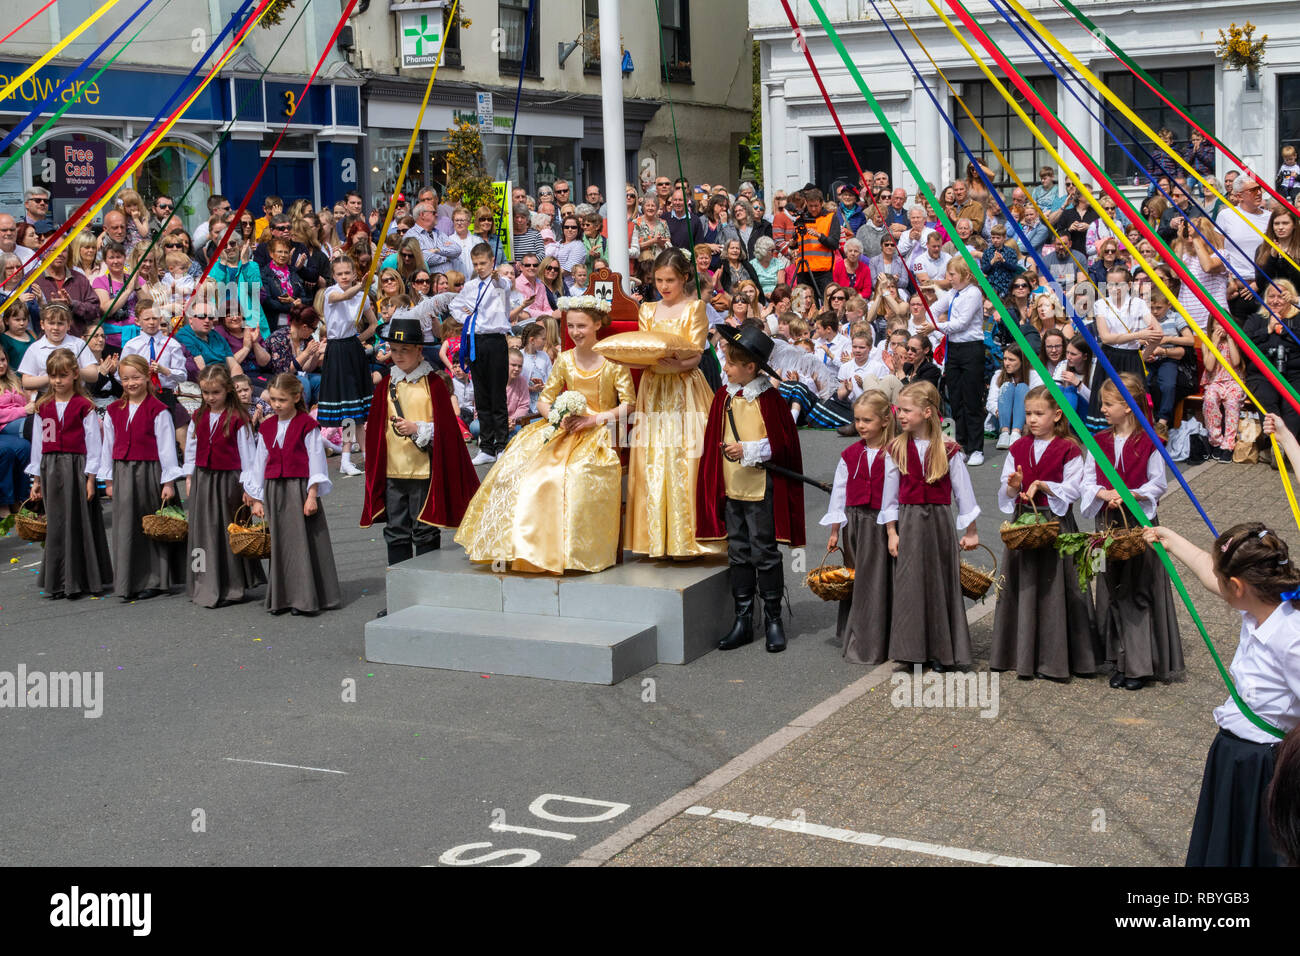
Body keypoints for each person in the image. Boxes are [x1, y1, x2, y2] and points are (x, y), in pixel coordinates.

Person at [1149, 512, 1300, 867]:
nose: (1214, 582)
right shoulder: (1258, 606)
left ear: (1237, 586)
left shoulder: (1290, 638)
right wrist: (1169, 539)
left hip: (1265, 769)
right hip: (1234, 760)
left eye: (1222, 580)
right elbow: (1207, 567)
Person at [455, 301, 633, 573]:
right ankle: (521, 546)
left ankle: (566, 551)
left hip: (597, 430)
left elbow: (629, 404)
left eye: (581, 325)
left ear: (597, 325)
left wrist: (591, 419)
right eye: (571, 326)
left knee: (571, 473)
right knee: (519, 467)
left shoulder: (612, 362)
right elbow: (545, 400)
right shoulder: (564, 360)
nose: (575, 332)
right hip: (563, 427)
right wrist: (558, 415)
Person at [696, 323, 805, 653]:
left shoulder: (768, 399)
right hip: (732, 488)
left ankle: (773, 619)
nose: (724, 368)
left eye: (730, 364)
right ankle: (743, 617)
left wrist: (748, 450)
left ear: (750, 368)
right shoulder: (724, 397)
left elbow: (783, 443)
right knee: (739, 552)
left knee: (764, 552)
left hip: (760, 488)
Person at [1080, 373, 1183, 691]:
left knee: (1137, 590)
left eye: (1108, 404)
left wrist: (1132, 494)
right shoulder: (1097, 442)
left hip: (1137, 526)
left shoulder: (1149, 442)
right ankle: (1118, 659)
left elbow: (1157, 483)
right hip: (1107, 527)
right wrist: (1102, 494)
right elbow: (1086, 481)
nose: (1103, 409)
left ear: (1128, 407)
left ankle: (1139, 666)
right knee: (1110, 588)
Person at [990, 385, 1099, 679]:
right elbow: (1007, 488)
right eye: (1028, 414)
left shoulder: (1069, 448)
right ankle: (1020, 653)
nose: (1033, 419)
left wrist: (1045, 485)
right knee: (1022, 585)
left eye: (1039, 413)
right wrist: (1014, 484)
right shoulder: (1018, 447)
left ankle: (1059, 657)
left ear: (1057, 414)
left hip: (1056, 525)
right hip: (1024, 525)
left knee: (1057, 587)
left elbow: (1074, 489)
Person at [623, 248, 725, 559]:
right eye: (658, 280)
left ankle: (687, 536)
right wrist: (652, 363)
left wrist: (671, 365)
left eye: (670, 280)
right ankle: (656, 537)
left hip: (683, 388)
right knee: (654, 456)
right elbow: (642, 346)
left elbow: (695, 354)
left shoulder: (694, 308)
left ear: (684, 278)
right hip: (653, 390)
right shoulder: (647, 310)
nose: (664, 286)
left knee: (684, 456)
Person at [359, 316, 479, 572]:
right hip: (393, 471)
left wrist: (417, 428)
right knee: (396, 532)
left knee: (424, 530)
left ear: (419, 351)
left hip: (424, 471)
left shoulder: (433, 384)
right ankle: (400, 594)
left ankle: (427, 590)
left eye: (405, 350)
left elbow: (448, 431)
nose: (399, 356)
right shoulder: (386, 386)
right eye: (394, 350)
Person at [880, 380, 980, 670]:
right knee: (910, 585)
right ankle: (912, 652)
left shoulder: (948, 450)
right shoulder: (896, 448)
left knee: (939, 584)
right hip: (909, 522)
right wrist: (891, 532)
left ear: (926, 412)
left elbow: (964, 493)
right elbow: (889, 497)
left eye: (906, 410)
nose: (900, 415)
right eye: (899, 409)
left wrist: (971, 531)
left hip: (939, 523)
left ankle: (941, 651)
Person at [245, 373, 341, 615]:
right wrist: (256, 498)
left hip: (299, 489)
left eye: (282, 400)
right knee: (281, 544)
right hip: (274, 490)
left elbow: (316, 461)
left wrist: (312, 495)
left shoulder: (307, 425)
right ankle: (283, 596)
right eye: (274, 399)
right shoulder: (266, 427)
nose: (277, 405)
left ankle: (304, 597)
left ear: (297, 397)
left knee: (301, 543)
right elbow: (259, 462)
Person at [25, 348, 112, 598]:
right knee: (57, 523)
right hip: (51, 468)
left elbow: (94, 445)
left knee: (78, 522)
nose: (57, 381)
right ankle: (59, 579)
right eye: (53, 376)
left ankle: (80, 579)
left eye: (62, 375)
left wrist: (91, 478)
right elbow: (38, 445)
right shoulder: (44, 407)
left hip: (76, 467)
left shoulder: (84, 406)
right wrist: (37, 479)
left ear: (75, 375)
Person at [99, 354, 186, 601]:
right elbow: (108, 447)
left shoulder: (157, 410)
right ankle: (129, 579)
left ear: (147, 378)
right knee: (126, 526)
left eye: (136, 377)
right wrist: (109, 480)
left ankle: (154, 579)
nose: (130, 383)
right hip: (122, 472)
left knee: (150, 525)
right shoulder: (113, 410)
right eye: (125, 379)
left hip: (149, 472)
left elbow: (167, 447)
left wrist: (168, 482)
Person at [181, 364, 266, 607]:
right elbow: (191, 448)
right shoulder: (198, 416)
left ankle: (232, 584)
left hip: (228, 481)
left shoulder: (238, 419)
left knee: (229, 530)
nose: (210, 398)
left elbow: (248, 456)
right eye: (206, 393)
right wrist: (189, 477)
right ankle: (202, 580)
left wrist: (250, 490)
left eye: (215, 392)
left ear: (227, 390)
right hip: (203, 479)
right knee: (202, 531)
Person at [822, 389, 896, 664]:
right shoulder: (850, 454)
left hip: (883, 522)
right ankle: (859, 631)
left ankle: (885, 634)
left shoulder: (896, 451)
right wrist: (833, 530)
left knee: (883, 577)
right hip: (855, 523)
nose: (861, 426)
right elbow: (838, 493)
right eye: (857, 420)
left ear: (884, 421)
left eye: (867, 420)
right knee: (859, 577)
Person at [450, 243, 514, 466]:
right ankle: (485, 445)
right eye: (476, 264)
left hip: (495, 341)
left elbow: (504, 285)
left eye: (483, 263)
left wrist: (496, 276)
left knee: (497, 394)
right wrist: (465, 316)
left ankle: (501, 444)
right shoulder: (470, 286)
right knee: (481, 394)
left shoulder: (499, 283)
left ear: (491, 262)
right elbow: (454, 306)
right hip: (476, 340)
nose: (479, 268)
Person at [921, 259, 986, 464]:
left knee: (971, 399)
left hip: (971, 348)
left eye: (953, 275)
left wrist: (935, 327)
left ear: (966, 275)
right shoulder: (953, 293)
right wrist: (929, 310)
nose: (949, 278)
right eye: (948, 274)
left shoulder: (973, 293)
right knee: (956, 399)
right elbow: (934, 308)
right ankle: (962, 444)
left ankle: (977, 449)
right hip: (954, 350)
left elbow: (961, 323)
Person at [318, 255, 376, 476]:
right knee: (349, 410)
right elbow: (341, 297)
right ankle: (348, 458)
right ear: (333, 276)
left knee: (357, 412)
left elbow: (373, 323)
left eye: (347, 273)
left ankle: (363, 456)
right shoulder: (329, 293)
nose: (343, 277)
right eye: (339, 273)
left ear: (353, 273)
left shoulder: (362, 296)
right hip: (337, 350)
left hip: (352, 347)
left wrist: (359, 339)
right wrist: (360, 286)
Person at [1086, 266, 1162, 431]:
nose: (1114, 289)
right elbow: (1105, 337)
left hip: (1132, 357)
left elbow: (1158, 333)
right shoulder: (1101, 304)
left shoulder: (1139, 303)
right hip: (1109, 356)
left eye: (1118, 284)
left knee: (1134, 403)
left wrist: (1142, 356)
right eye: (1110, 284)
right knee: (1106, 402)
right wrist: (1138, 335)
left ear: (1129, 285)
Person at [1142, 289, 1194, 429]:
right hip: (1148, 357)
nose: (1155, 311)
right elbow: (1139, 338)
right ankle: (1146, 416)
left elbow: (1190, 340)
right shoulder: (1146, 319)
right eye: (1151, 308)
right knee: (1141, 383)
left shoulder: (1176, 318)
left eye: (1159, 308)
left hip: (1168, 358)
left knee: (1168, 384)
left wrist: (1167, 339)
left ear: (1169, 305)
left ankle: (1163, 419)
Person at [18, 303, 98, 390]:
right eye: (51, 323)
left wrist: (73, 371)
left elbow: (93, 375)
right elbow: (26, 382)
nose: (55, 327)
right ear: (42, 324)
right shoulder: (35, 348)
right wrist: (54, 376)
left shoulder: (78, 344)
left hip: (75, 395)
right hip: (47, 397)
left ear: (68, 325)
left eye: (60, 323)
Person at [1201, 318, 1246, 462]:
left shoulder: (1234, 341)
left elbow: (1236, 362)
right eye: (1217, 323)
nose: (1221, 326)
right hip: (1215, 380)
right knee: (1209, 400)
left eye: (1224, 323)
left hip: (1233, 381)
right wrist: (1214, 342)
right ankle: (1216, 441)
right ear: (1212, 326)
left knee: (1232, 403)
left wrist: (1231, 339)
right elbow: (1209, 366)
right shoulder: (1207, 342)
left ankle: (1228, 444)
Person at [987, 345, 1042, 449]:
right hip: (1002, 418)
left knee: (1022, 387)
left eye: (1011, 360)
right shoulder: (998, 374)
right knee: (1007, 386)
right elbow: (990, 402)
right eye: (1005, 359)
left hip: (1026, 419)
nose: (1006, 363)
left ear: (1022, 361)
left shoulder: (1034, 375)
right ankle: (1004, 433)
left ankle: (1016, 433)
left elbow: (1039, 400)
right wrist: (999, 411)